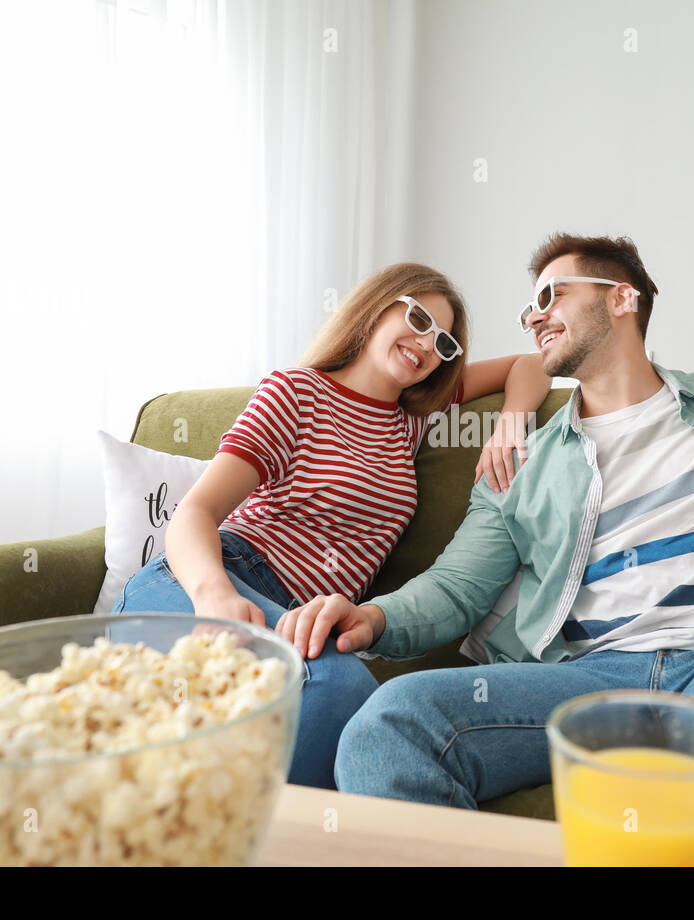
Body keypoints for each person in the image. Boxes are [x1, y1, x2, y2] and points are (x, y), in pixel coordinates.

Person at [276, 235, 694, 861]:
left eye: (552, 295)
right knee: (388, 726)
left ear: (622, 298)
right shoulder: (520, 461)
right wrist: (373, 617)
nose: (535, 316)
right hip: (590, 683)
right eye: (529, 309)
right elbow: (457, 587)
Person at [112, 262, 553, 790]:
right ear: (376, 307)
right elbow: (194, 513)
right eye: (416, 318)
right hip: (213, 579)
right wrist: (216, 599)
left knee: (345, 702)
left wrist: (511, 420)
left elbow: (530, 365)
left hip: (303, 617)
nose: (426, 345)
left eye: (443, 343)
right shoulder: (295, 394)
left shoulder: (412, 416)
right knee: (339, 690)